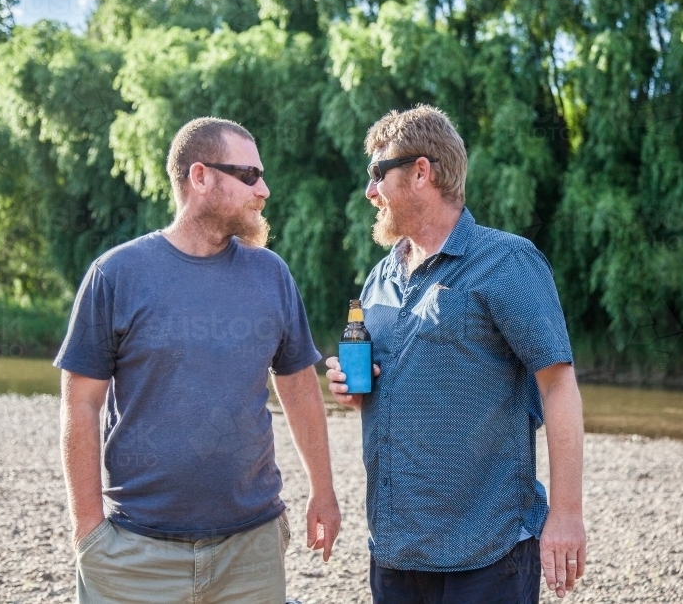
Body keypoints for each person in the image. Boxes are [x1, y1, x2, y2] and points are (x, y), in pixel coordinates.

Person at [56, 117, 340, 604]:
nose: (264, 189)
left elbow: (297, 386)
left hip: (251, 550)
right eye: (249, 175)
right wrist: (89, 532)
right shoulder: (117, 274)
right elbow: (80, 406)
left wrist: (323, 490)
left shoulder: (271, 274)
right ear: (200, 177)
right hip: (136, 552)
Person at [326, 105, 586, 603]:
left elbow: (559, 384)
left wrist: (567, 514)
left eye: (378, 174)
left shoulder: (507, 262)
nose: (369, 192)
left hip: (488, 553)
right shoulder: (380, 278)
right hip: (395, 551)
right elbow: (389, 379)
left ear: (422, 172)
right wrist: (354, 388)